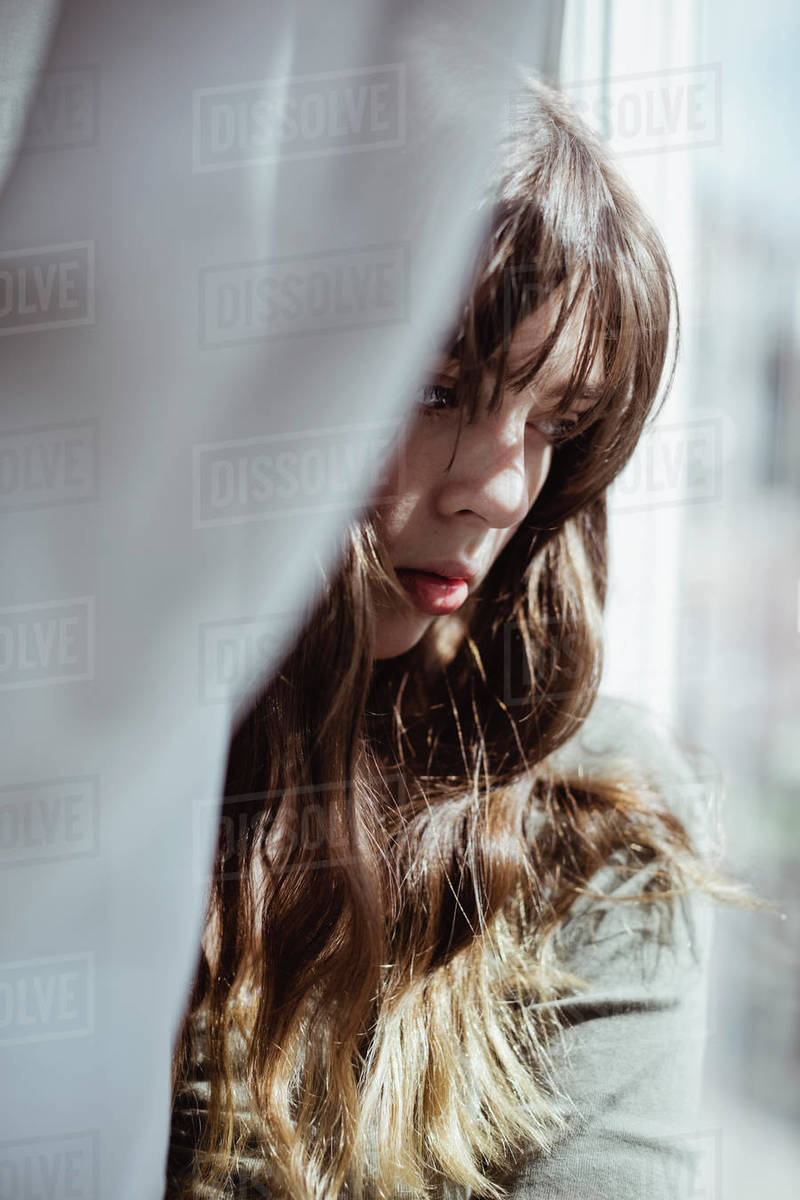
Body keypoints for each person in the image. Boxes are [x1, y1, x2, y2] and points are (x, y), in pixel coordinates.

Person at [163, 73, 750, 1200]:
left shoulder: (590, 815)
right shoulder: (85, 751)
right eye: (437, 391)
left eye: (555, 422)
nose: (500, 488)